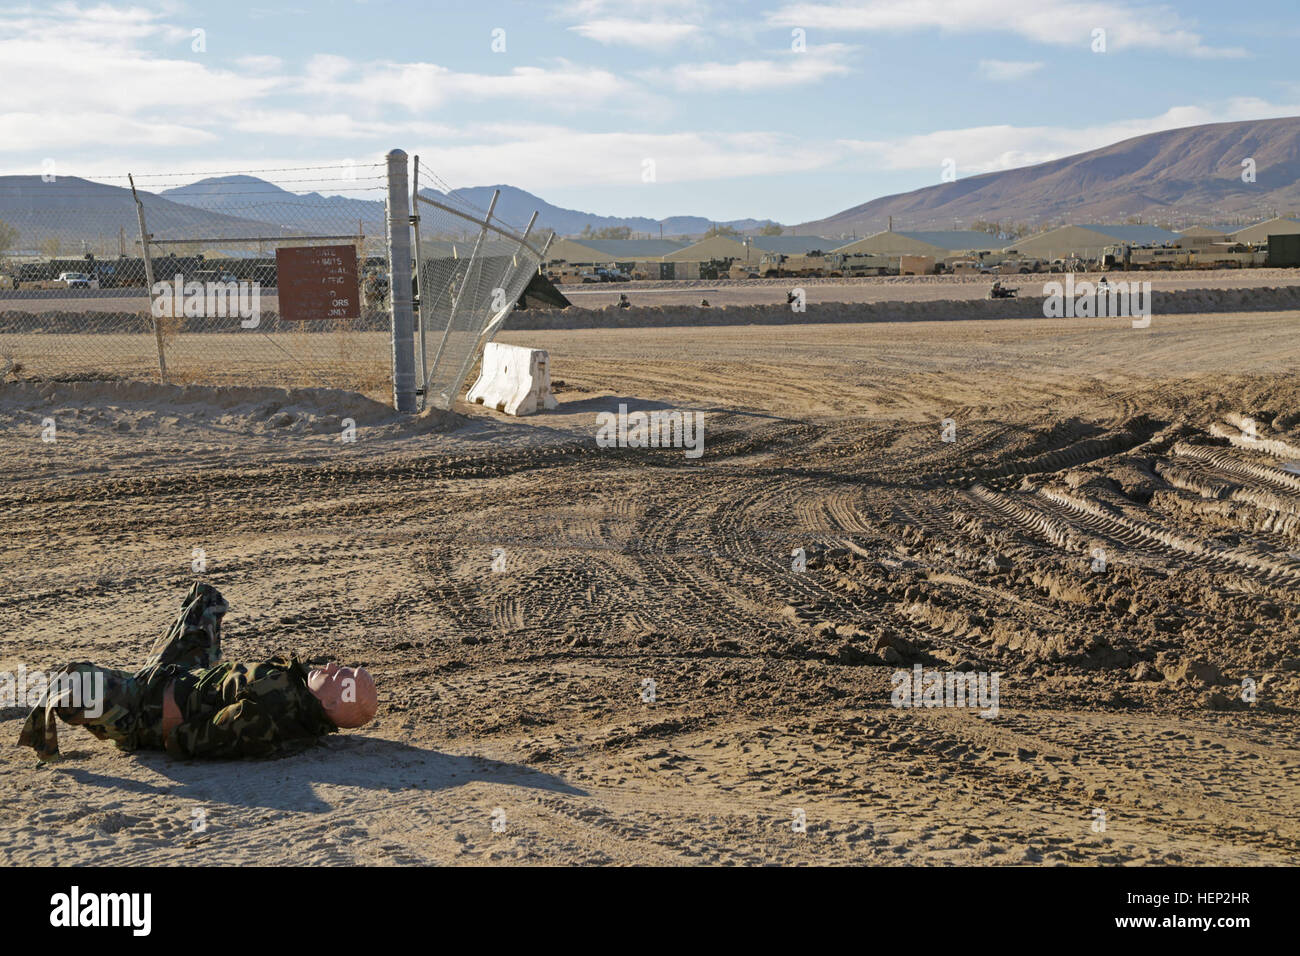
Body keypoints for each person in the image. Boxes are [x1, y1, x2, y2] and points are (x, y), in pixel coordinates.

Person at [18, 582, 377, 761]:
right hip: (183, 676)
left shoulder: (274, 710)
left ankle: (44, 746)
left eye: (341, 674)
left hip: (147, 709)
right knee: (206, 599)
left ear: (333, 700)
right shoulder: (297, 691)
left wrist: (167, 719)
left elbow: (200, 738)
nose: (332, 666)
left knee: (75, 681)